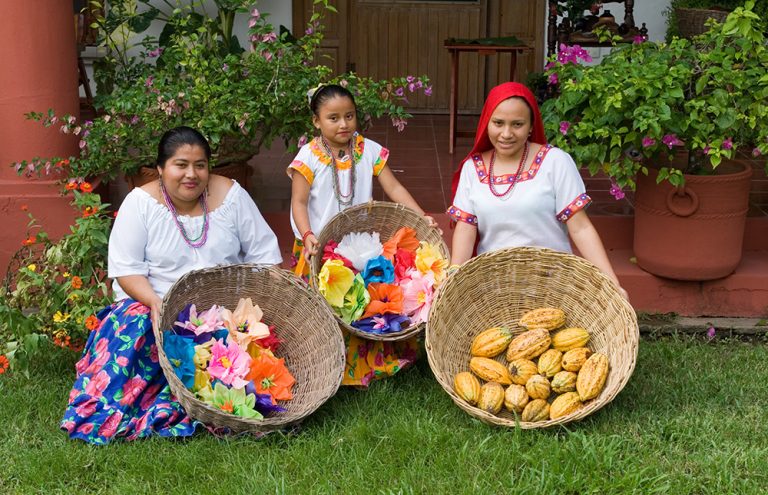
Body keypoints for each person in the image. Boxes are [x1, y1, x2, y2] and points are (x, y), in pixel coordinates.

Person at [61, 126, 282, 444]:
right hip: (156, 305)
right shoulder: (140, 204)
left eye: (200, 165)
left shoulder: (232, 196)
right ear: (161, 168)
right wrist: (155, 303)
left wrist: (253, 304)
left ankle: (218, 400)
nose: (191, 174)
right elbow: (127, 269)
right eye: (181, 164)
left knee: (250, 345)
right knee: (138, 325)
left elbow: (264, 256)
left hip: (222, 311)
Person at [287, 84, 434, 387]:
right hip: (318, 245)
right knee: (324, 308)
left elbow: (393, 188)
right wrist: (307, 234)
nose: (343, 124)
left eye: (349, 116)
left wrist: (421, 216)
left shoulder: (368, 150)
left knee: (359, 303)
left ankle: (365, 367)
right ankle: (324, 364)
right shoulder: (308, 157)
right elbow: (298, 202)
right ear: (316, 121)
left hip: (359, 245)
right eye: (333, 118)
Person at [447, 82, 628, 299]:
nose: (506, 133)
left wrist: (612, 283)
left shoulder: (555, 162)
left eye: (517, 124)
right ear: (487, 123)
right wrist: (454, 276)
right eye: (498, 123)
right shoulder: (473, 168)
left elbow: (580, 228)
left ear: (531, 126)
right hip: (495, 286)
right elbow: (466, 229)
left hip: (552, 283)